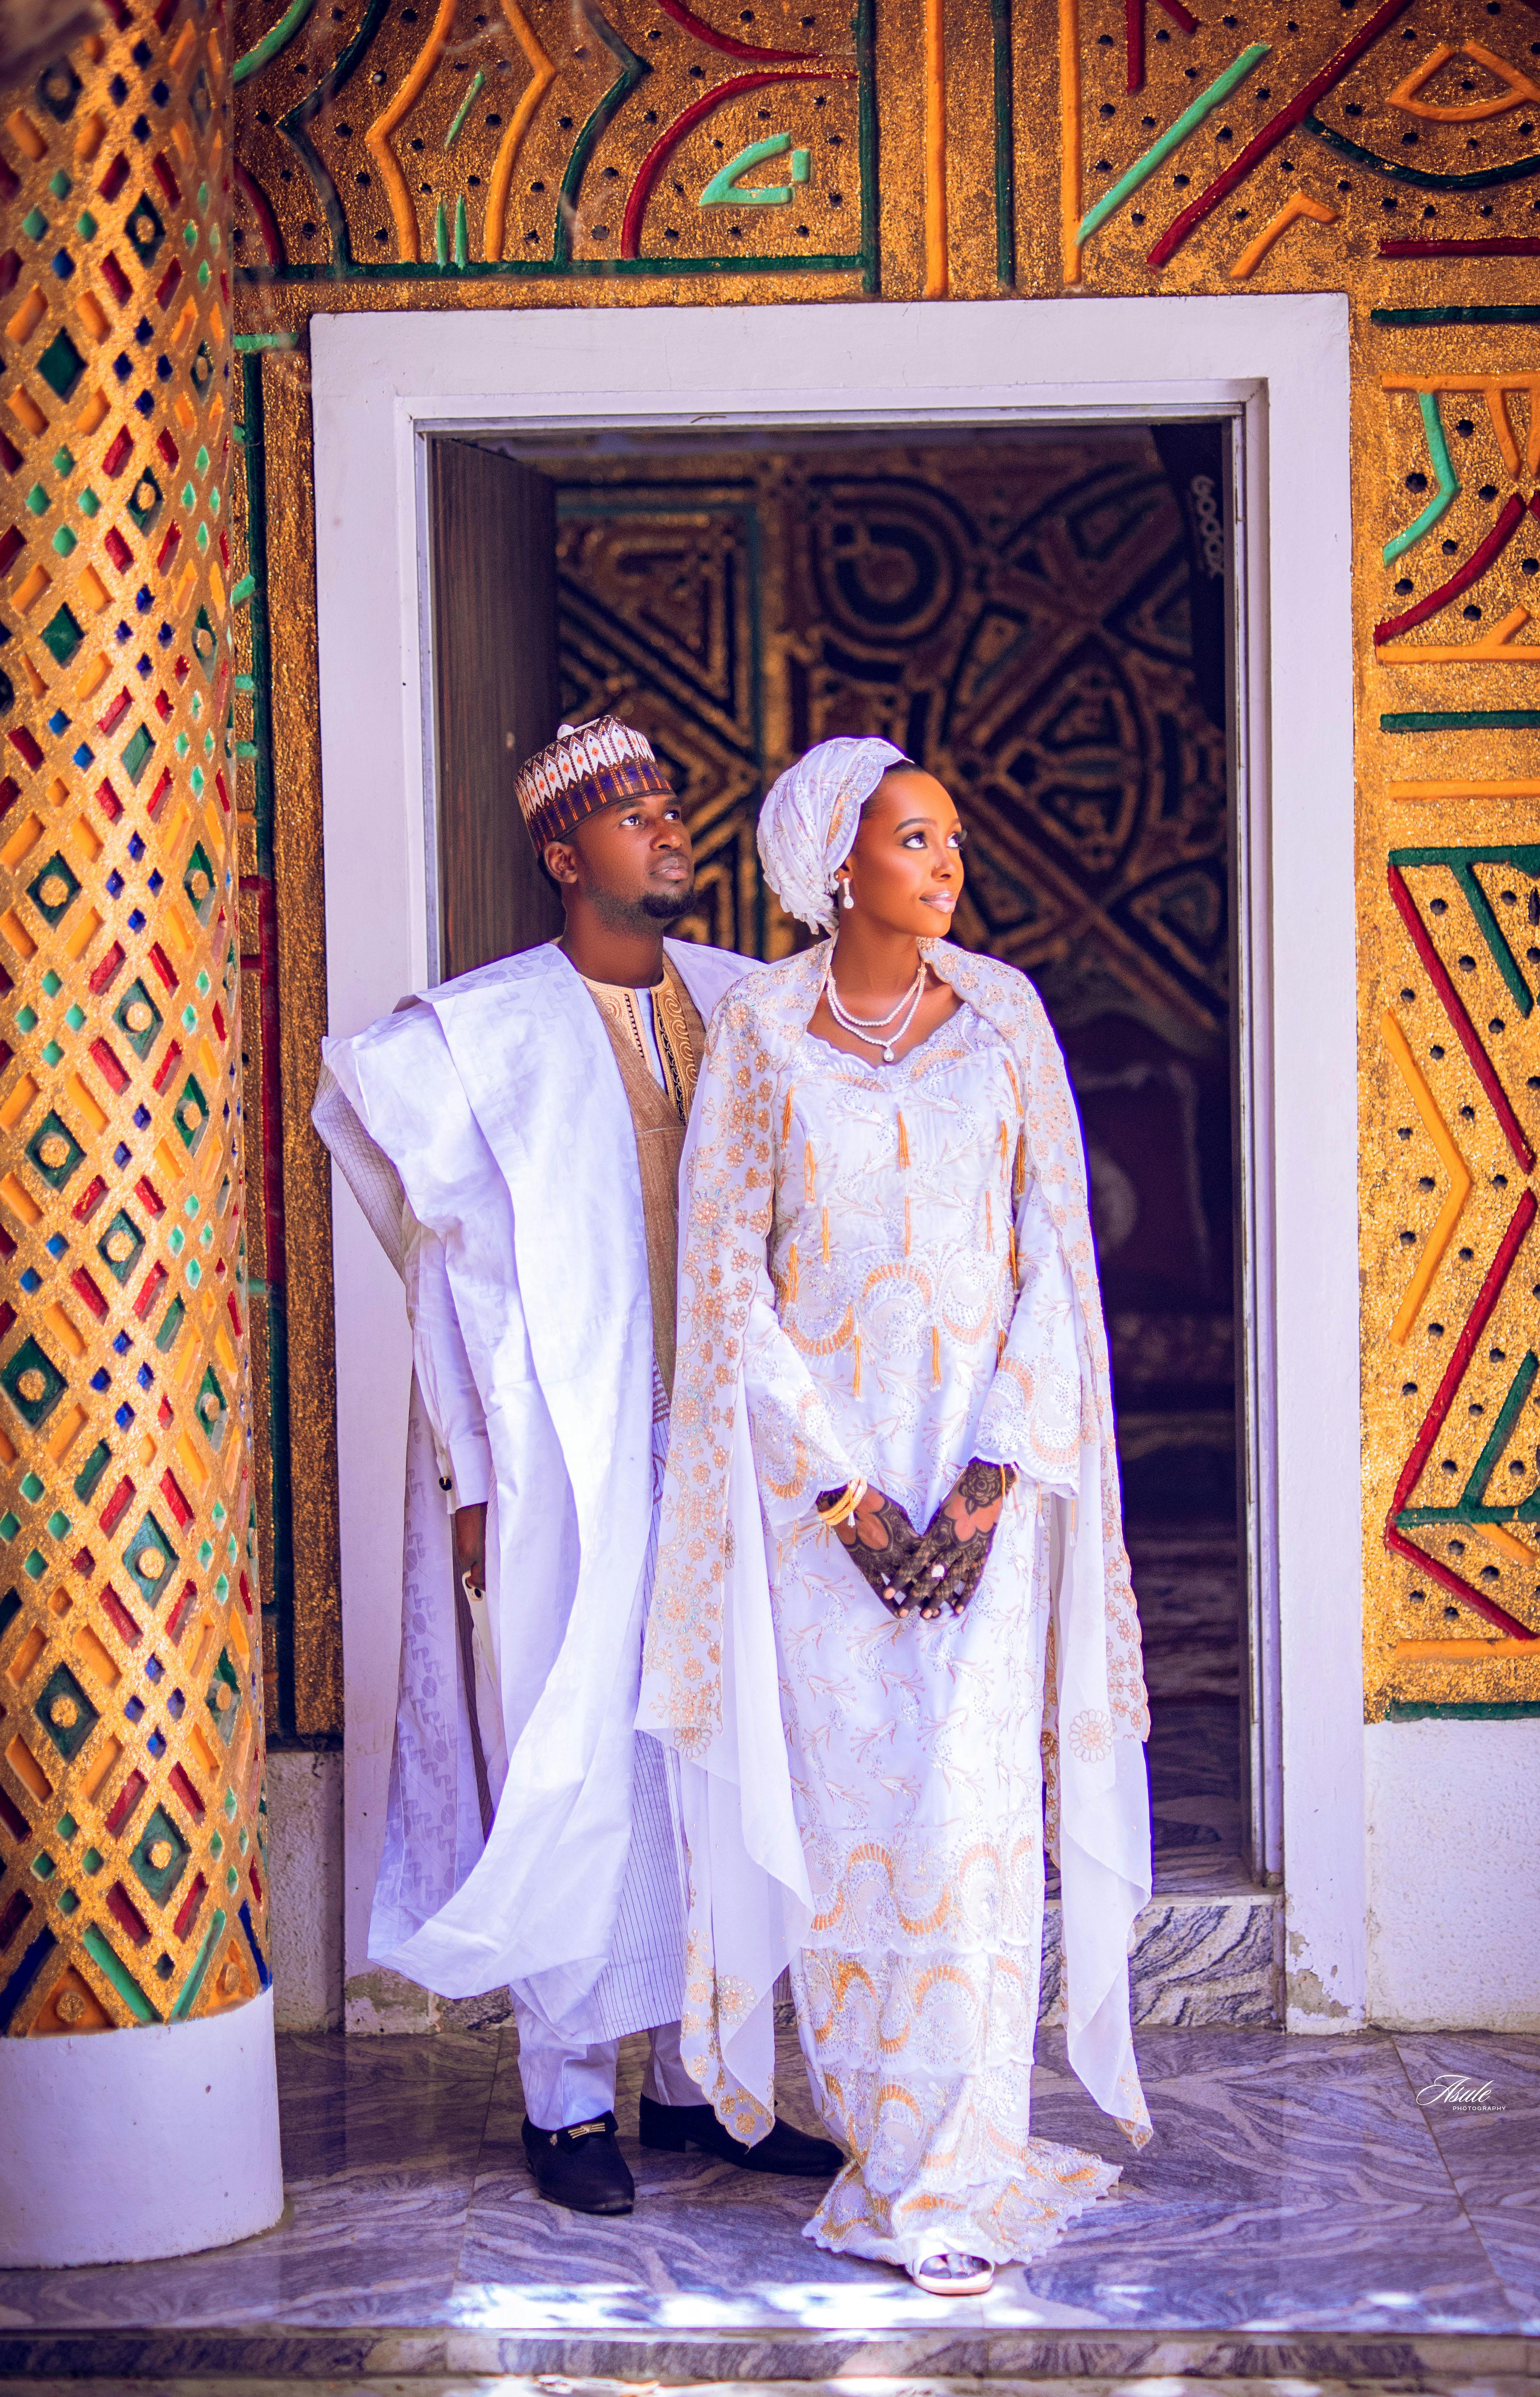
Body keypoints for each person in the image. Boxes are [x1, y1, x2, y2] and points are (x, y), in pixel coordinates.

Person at [640, 735, 1152, 2294]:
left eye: (948, 841)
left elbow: (1052, 1258)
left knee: (975, 1824)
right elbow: (725, 1282)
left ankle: (967, 2167)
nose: (944, 864)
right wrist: (844, 1495)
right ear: (831, 864)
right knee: (862, 1834)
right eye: (914, 840)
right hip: (823, 1515)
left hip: (988, 1501)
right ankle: (891, 2157)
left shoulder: (1004, 1017)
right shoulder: (758, 1037)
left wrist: (992, 1480)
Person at [313, 716, 840, 2217]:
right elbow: (440, 1274)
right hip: (568, 1454)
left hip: (731, 1453)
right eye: (632, 812)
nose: (669, 829)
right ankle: (564, 2102)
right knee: (574, 1749)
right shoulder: (483, 1033)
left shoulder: (747, 998)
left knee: (720, 1750)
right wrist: (475, 1473)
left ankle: (702, 2084)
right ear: (565, 854)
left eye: (671, 804)